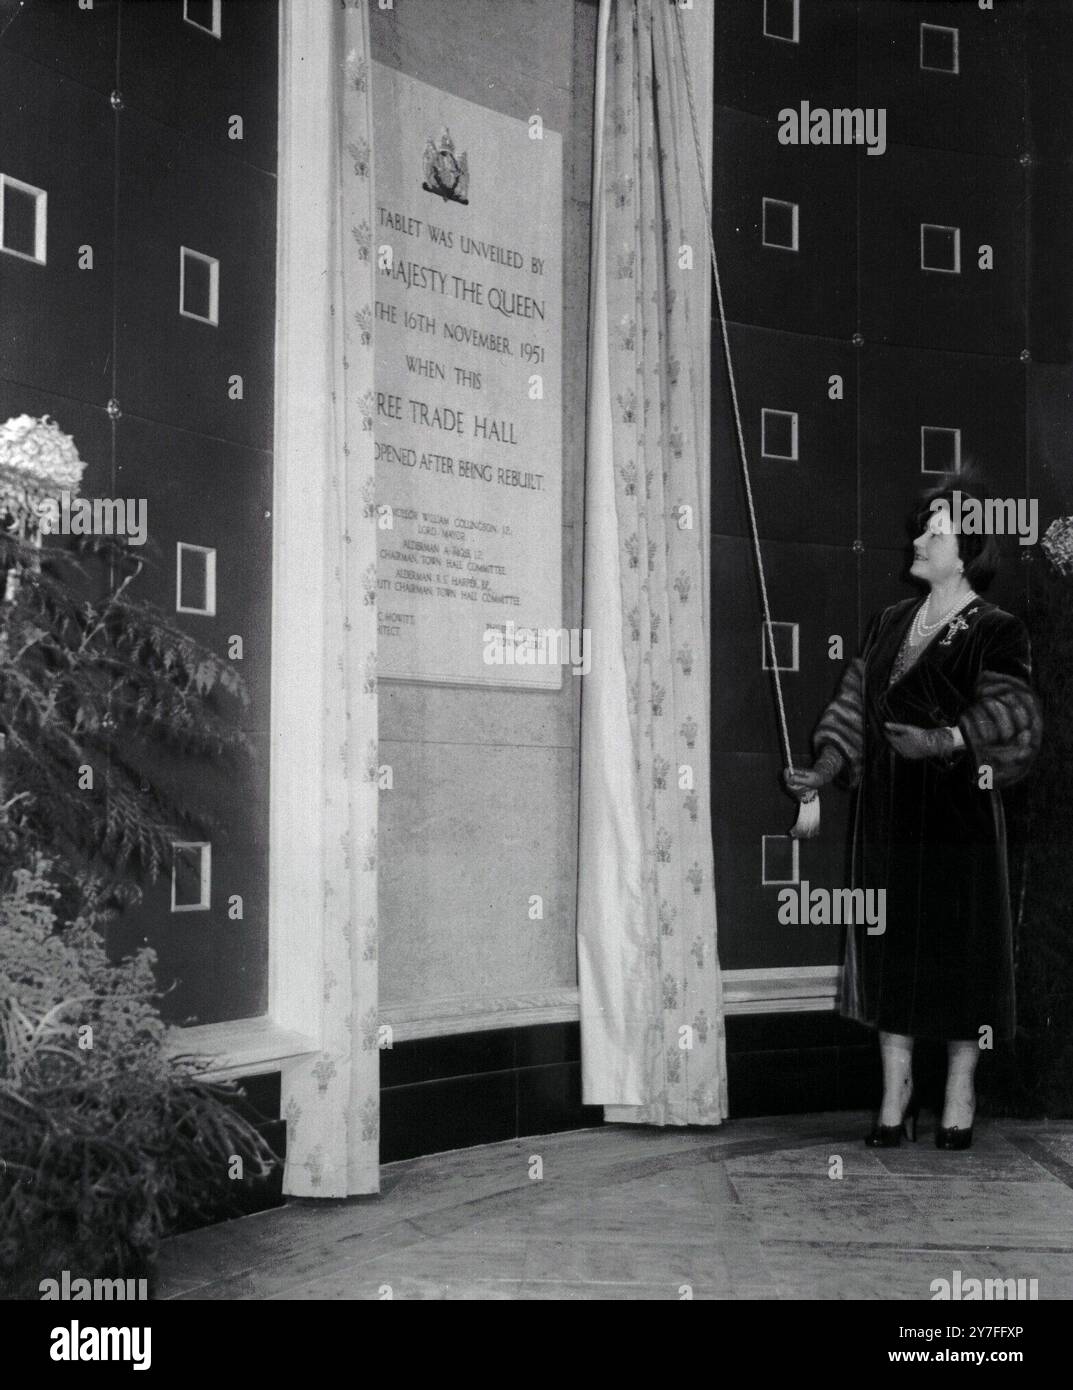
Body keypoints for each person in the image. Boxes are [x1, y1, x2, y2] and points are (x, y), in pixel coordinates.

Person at [785, 479, 1042, 1149]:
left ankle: (959, 1091)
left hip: (957, 824)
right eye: (923, 528)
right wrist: (824, 771)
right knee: (891, 953)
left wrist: (943, 739)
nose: (920, 541)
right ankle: (894, 1091)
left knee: (959, 955)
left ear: (968, 551)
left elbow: (1013, 714)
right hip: (887, 821)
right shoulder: (888, 622)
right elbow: (850, 707)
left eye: (937, 532)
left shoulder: (995, 628)